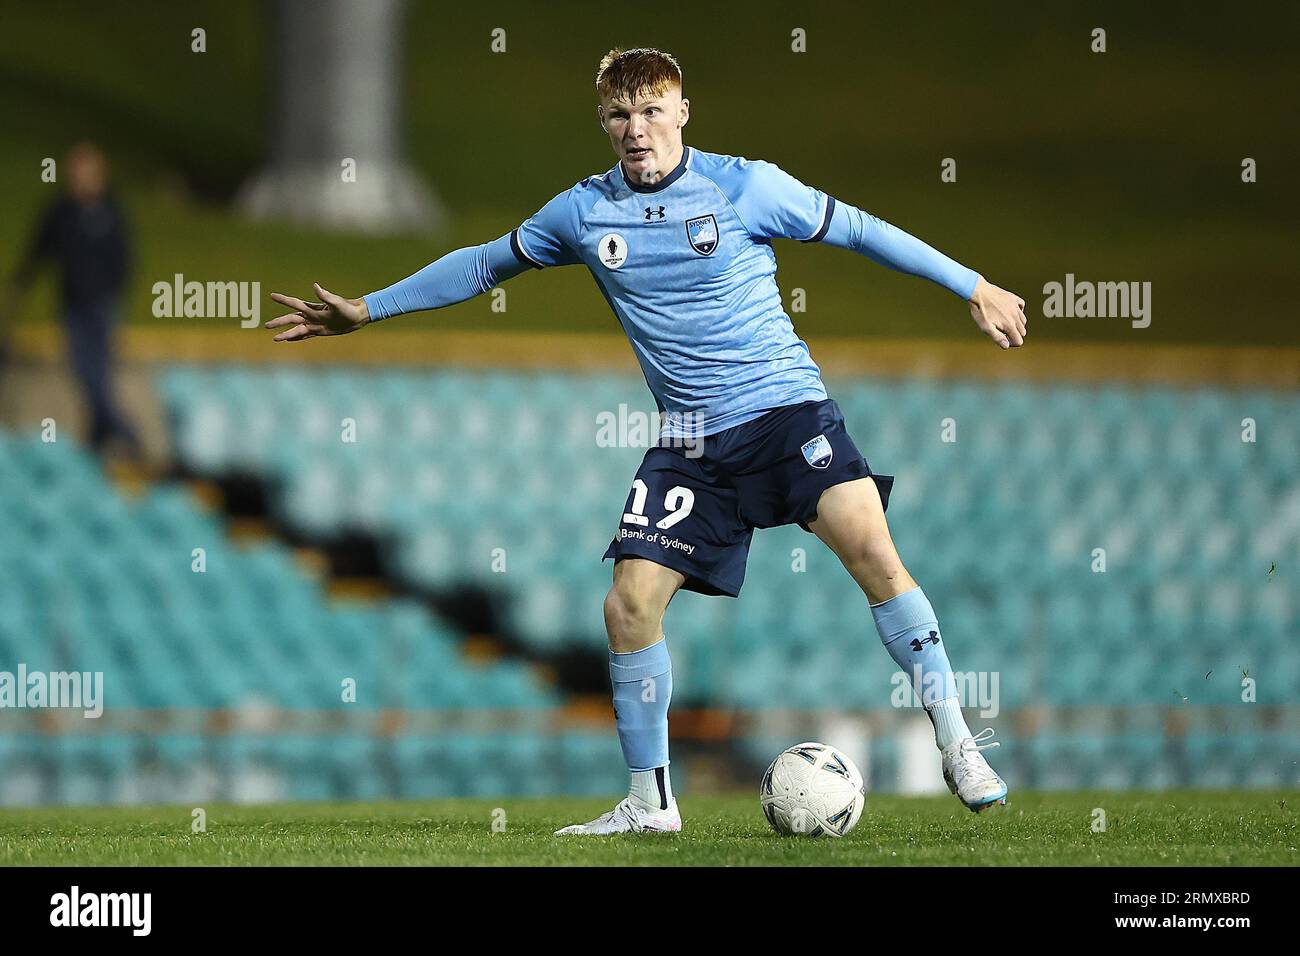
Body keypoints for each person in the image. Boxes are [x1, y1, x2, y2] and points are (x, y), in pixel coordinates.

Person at [267, 47, 1027, 834]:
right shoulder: (584, 212)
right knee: (629, 605)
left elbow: (861, 231)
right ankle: (649, 802)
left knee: (873, 550)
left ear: (683, 112)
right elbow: (484, 264)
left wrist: (972, 285)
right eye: (621, 115)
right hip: (690, 439)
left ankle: (958, 739)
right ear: (603, 122)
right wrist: (369, 309)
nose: (638, 129)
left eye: (653, 110)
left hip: (786, 414)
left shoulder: (745, 186)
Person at [11, 142, 139, 457]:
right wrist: (18, 287)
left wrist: (115, 292)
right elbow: (38, 251)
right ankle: (116, 436)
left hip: (103, 307)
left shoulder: (111, 213)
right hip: (73, 306)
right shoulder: (60, 212)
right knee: (85, 373)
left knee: (97, 374)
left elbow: (124, 259)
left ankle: (110, 438)